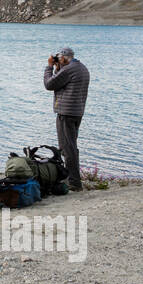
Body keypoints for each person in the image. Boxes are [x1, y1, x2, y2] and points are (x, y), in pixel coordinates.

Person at [44, 47, 90, 191]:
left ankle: (74, 183)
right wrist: (58, 68)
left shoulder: (69, 69)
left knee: (67, 147)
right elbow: (61, 81)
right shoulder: (80, 67)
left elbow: (49, 84)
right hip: (76, 112)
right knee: (71, 145)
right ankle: (70, 178)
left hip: (66, 113)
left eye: (58, 58)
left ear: (63, 57)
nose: (57, 60)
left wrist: (49, 67)